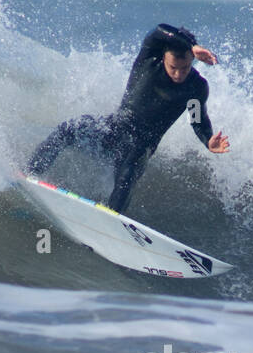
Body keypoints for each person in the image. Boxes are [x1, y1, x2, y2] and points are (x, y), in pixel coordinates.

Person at [25, 23, 230, 214]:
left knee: (127, 176)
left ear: (192, 61)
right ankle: (28, 176)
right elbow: (159, 30)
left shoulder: (196, 86)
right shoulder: (148, 60)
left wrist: (208, 140)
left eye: (184, 68)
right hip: (114, 129)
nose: (178, 74)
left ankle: (112, 220)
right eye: (173, 67)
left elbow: (197, 118)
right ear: (163, 57)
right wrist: (191, 45)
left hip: (142, 145)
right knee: (68, 129)